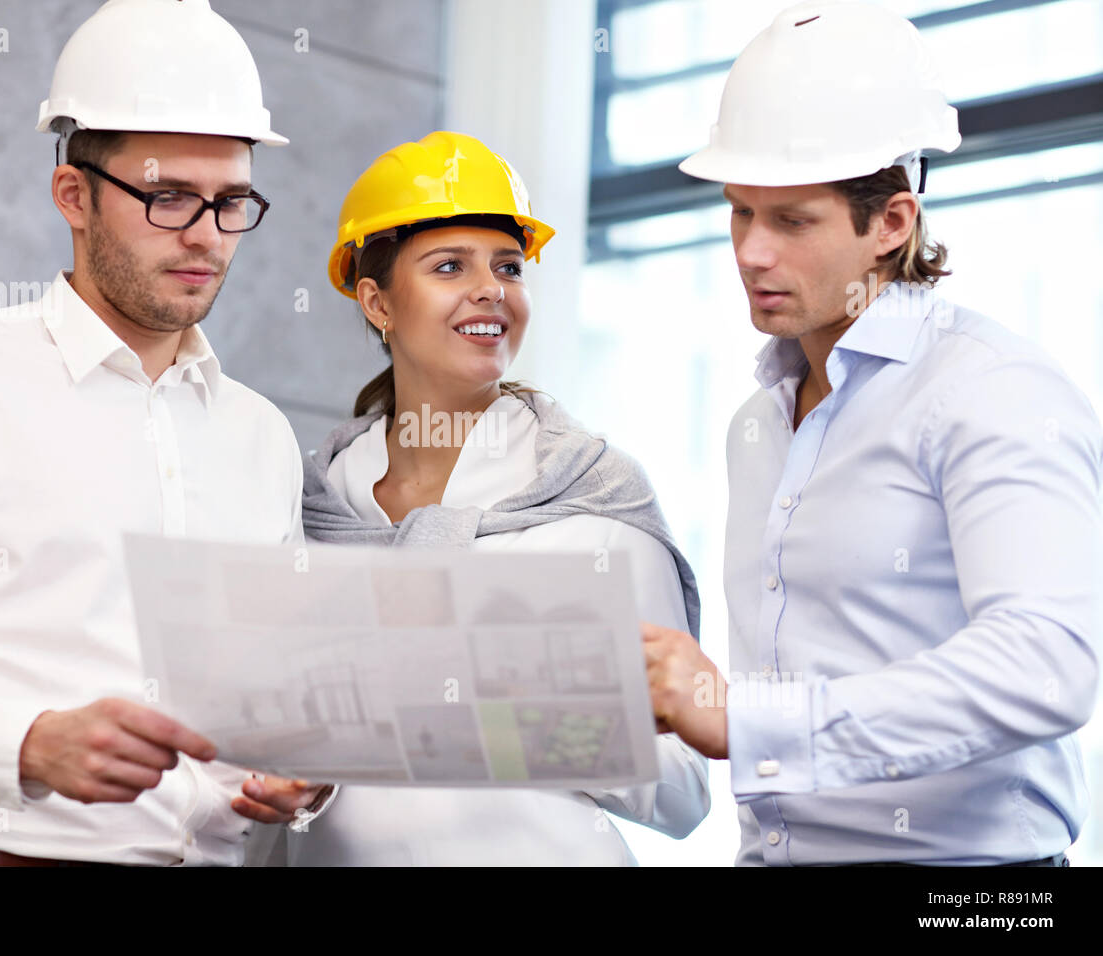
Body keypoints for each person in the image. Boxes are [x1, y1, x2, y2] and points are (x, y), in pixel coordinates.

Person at [0, 0, 328, 866]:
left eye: (231, 203)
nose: (205, 235)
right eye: (166, 197)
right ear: (73, 195)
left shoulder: (261, 437)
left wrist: (304, 776)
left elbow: (278, 699)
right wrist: (25, 744)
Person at [642, 0, 1101, 866]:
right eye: (741, 212)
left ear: (891, 223)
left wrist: (752, 720)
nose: (750, 252)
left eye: (792, 220)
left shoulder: (991, 391)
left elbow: (1046, 667)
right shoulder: (757, 421)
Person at [291, 131, 710, 865]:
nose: (491, 288)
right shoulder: (309, 505)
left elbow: (683, 790)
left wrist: (512, 712)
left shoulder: (592, 496)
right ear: (377, 300)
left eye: (509, 267)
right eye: (450, 265)